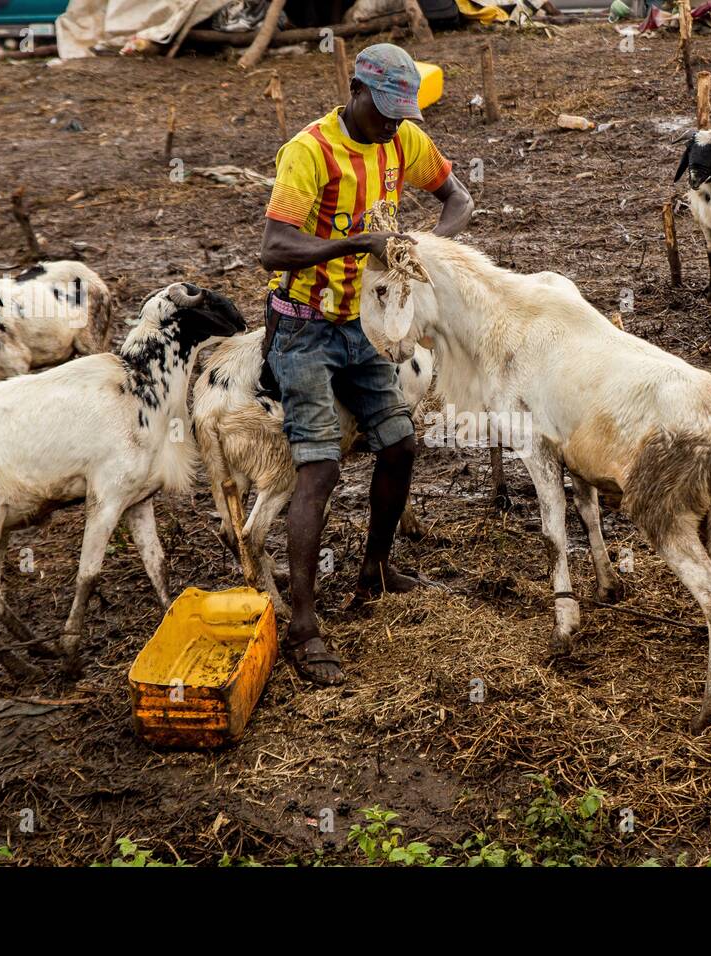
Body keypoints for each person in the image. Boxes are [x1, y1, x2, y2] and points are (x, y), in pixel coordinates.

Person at [259, 43, 474, 686]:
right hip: (303, 328)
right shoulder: (310, 152)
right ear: (354, 90)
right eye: (382, 111)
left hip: (365, 322)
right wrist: (359, 241)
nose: (391, 124)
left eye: (401, 113)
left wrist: (422, 252)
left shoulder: (403, 138)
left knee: (402, 445)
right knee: (319, 469)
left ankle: (374, 570)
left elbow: (458, 198)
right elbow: (273, 248)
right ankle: (303, 622)